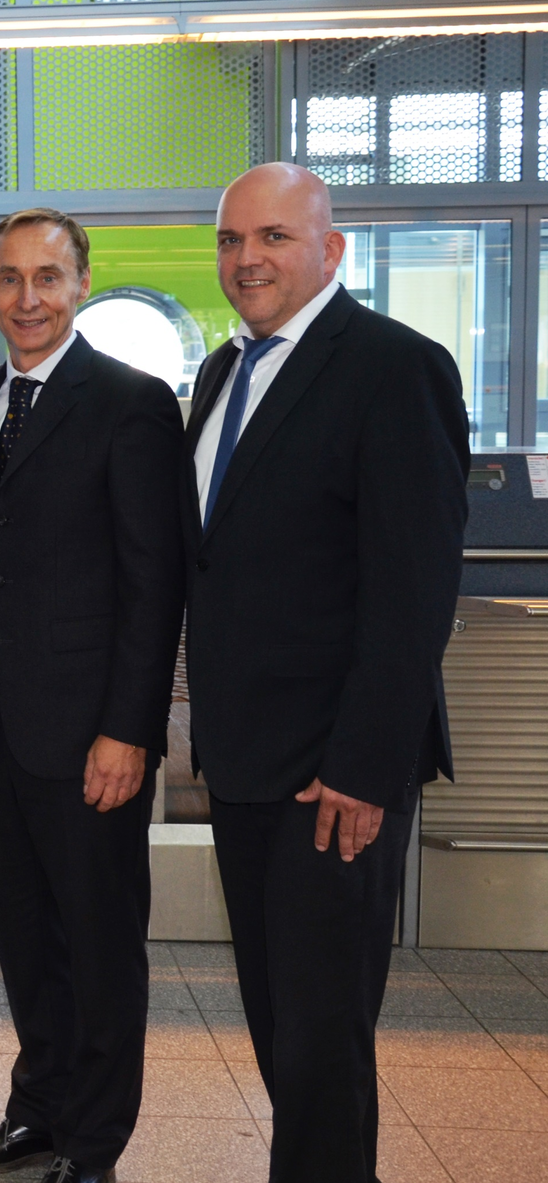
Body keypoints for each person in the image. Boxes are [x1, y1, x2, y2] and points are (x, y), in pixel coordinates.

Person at [188, 164, 467, 1183]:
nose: (246, 259)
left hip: (332, 774)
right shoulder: (224, 376)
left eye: (272, 238)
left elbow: (413, 593)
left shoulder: (395, 368)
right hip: (246, 759)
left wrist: (363, 766)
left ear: (330, 250)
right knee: (281, 1022)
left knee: (320, 1034)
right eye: (230, 241)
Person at [0, 209, 187, 1183]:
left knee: (101, 945)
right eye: (9, 279)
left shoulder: (130, 403)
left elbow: (151, 581)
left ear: (82, 284)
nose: (27, 299)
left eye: (48, 278)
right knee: (29, 939)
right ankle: (36, 1112)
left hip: (91, 738)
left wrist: (130, 728)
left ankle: (93, 1144)